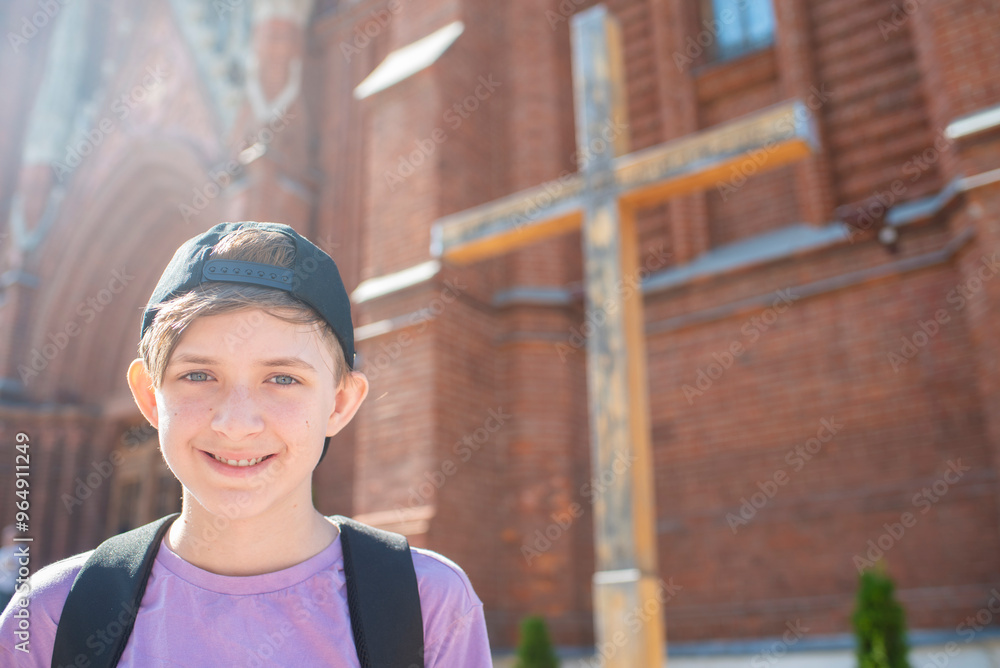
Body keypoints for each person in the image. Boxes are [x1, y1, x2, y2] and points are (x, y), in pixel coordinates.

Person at [0, 221, 493, 666]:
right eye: (198, 374)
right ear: (151, 398)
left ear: (340, 403)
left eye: (282, 378)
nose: (236, 424)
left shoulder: (426, 604)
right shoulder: (53, 616)